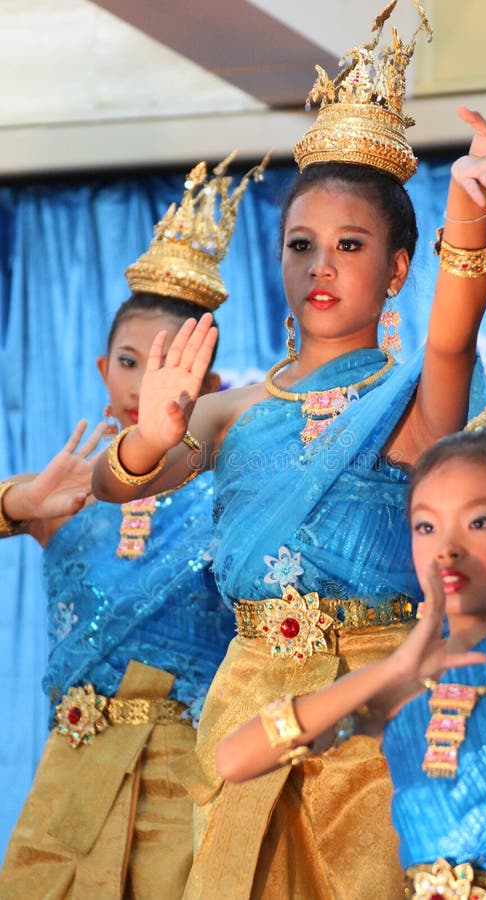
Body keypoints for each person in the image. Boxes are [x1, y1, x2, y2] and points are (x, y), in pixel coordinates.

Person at [91, 5, 486, 897]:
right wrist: (149, 434)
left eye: (350, 246)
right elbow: (119, 483)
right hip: (245, 705)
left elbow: (451, 342)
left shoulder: (407, 403)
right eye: (302, 246)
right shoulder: (235, 410)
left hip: (374, 714)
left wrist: (466, 218)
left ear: (398, 269)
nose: (321, 267)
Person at [0, 151, 268, 899]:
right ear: (100, 368)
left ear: (208, 387)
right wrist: (18, 503)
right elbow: (23, 503)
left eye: (165, 367)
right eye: (127, 362)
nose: (140, 386)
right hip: (69, 787)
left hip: (187, 782)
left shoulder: (231, 498)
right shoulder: (64, 491)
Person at [215, 409, 486, 899]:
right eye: (425, 527)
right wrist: (393, 669)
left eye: (480, 521)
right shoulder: (401, 691)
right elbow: (233, 759)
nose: (447, 549)